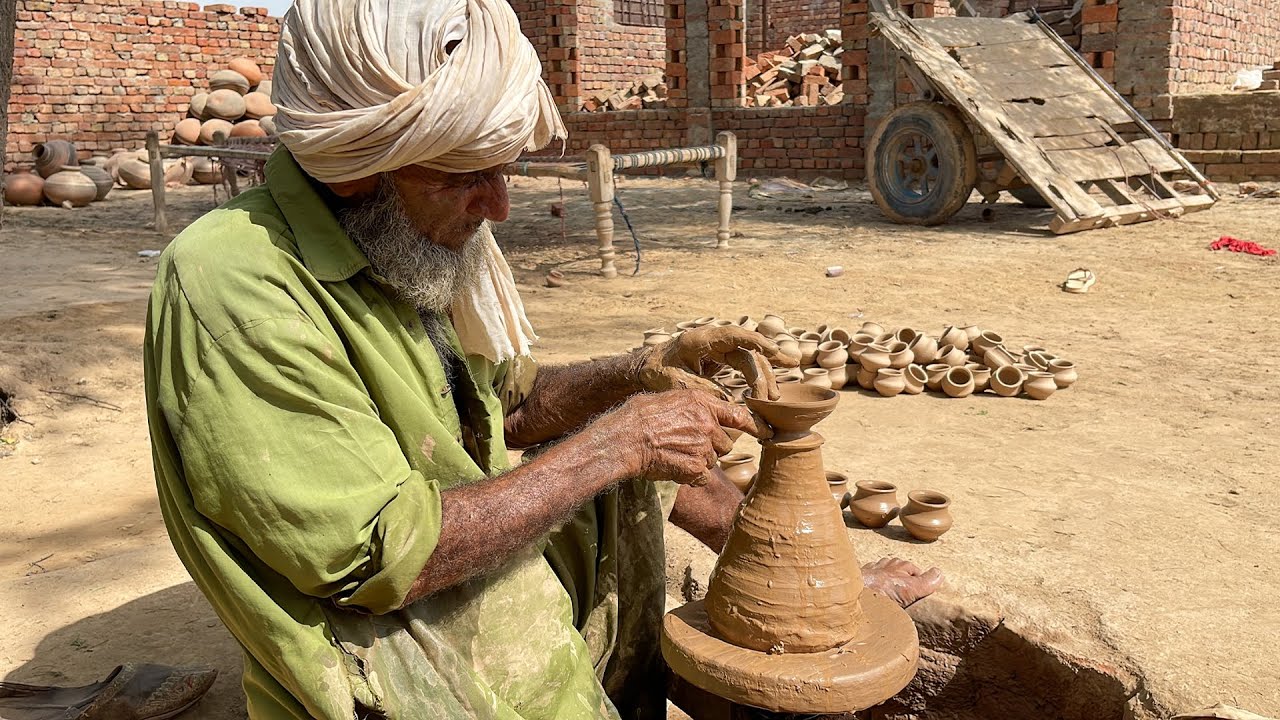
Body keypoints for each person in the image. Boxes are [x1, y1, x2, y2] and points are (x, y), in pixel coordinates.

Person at [142, 0, 943, 717]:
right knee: (612, 449)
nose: (500, 206)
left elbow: (506, 408)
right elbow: (377, 562)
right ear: (357, 168)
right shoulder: (232, 282)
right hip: (374, 637)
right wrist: (617, 442)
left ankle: (731, 610)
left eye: (506, 169)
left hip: (449, 558)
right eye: (469, 176)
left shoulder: (399, 239)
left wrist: (644, 369)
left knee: (618, 441)